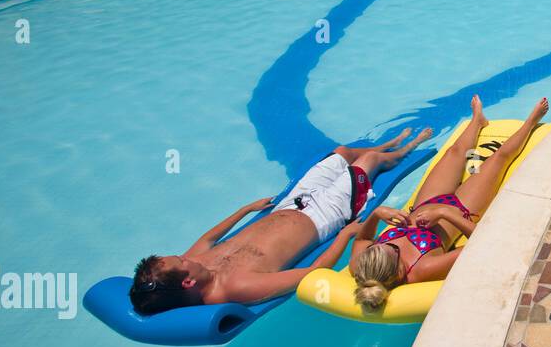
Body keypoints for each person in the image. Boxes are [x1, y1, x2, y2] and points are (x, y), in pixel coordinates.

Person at [128, 127, 433, 315]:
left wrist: (245, 210)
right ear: (188, 282)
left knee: (341, 153)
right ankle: (401, 151)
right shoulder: (238, 287)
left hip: (290, 204)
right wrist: (347, 234)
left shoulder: (195, 261)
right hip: (326, 214)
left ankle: (386, 144)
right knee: (369, 162)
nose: (185, 255)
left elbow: (209, 238)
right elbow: (314, 271)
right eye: (180, 260)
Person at [349, 96, 547, 310]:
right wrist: (444, 213)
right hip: (462, 209)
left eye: (383, 244)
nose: (389, 244)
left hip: (426, 201)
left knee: (455, 152)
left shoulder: (362, 265)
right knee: (497, 159)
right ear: (398, 271)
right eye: (392, 250)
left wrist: (378, 213)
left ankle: (477, 120)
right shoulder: (421, 269)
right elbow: (481, 244)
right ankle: (532, 121)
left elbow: (362, 239)